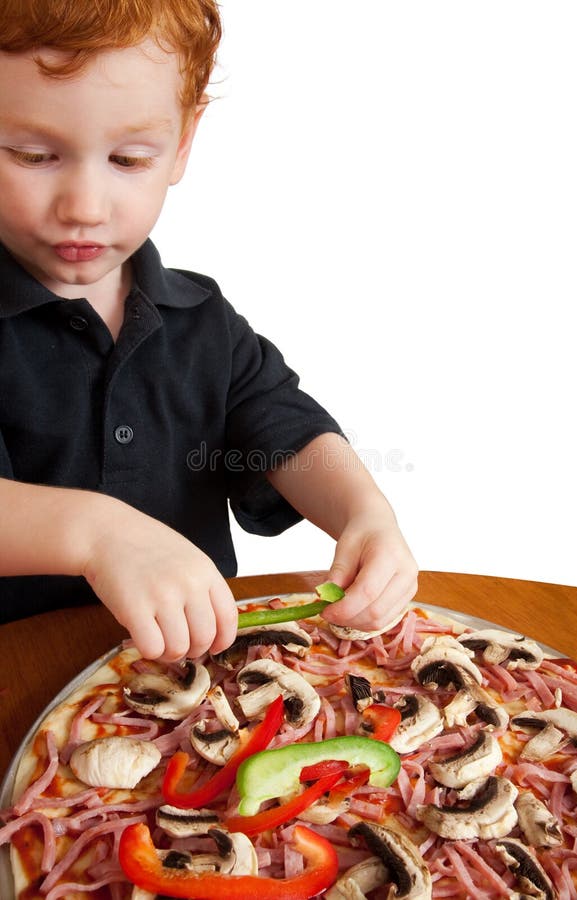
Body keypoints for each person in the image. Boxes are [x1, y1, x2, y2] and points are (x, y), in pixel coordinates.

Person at [0, 0, 417, 662]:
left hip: (195, 683)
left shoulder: (202, 321)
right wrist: (97, 533)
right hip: (19, 676)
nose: (84, 205)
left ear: (182, 144)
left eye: (129, 159)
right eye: (33, 154)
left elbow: (289, 432)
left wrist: (364, 511)